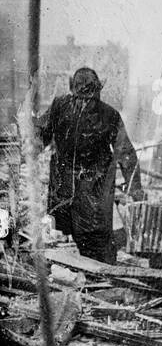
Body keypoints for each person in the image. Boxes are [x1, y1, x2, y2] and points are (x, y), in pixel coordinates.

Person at [36, 66, 145, 264]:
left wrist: (135, 189)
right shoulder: (60, 106)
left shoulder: (109, 115)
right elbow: (39, 137)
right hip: (65, 184)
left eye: (90, 99)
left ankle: (100, 272)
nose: (85, 104)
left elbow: (126, 153)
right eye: (81, 99)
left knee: (95, 239)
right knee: (63, 236)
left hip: (93, 186)